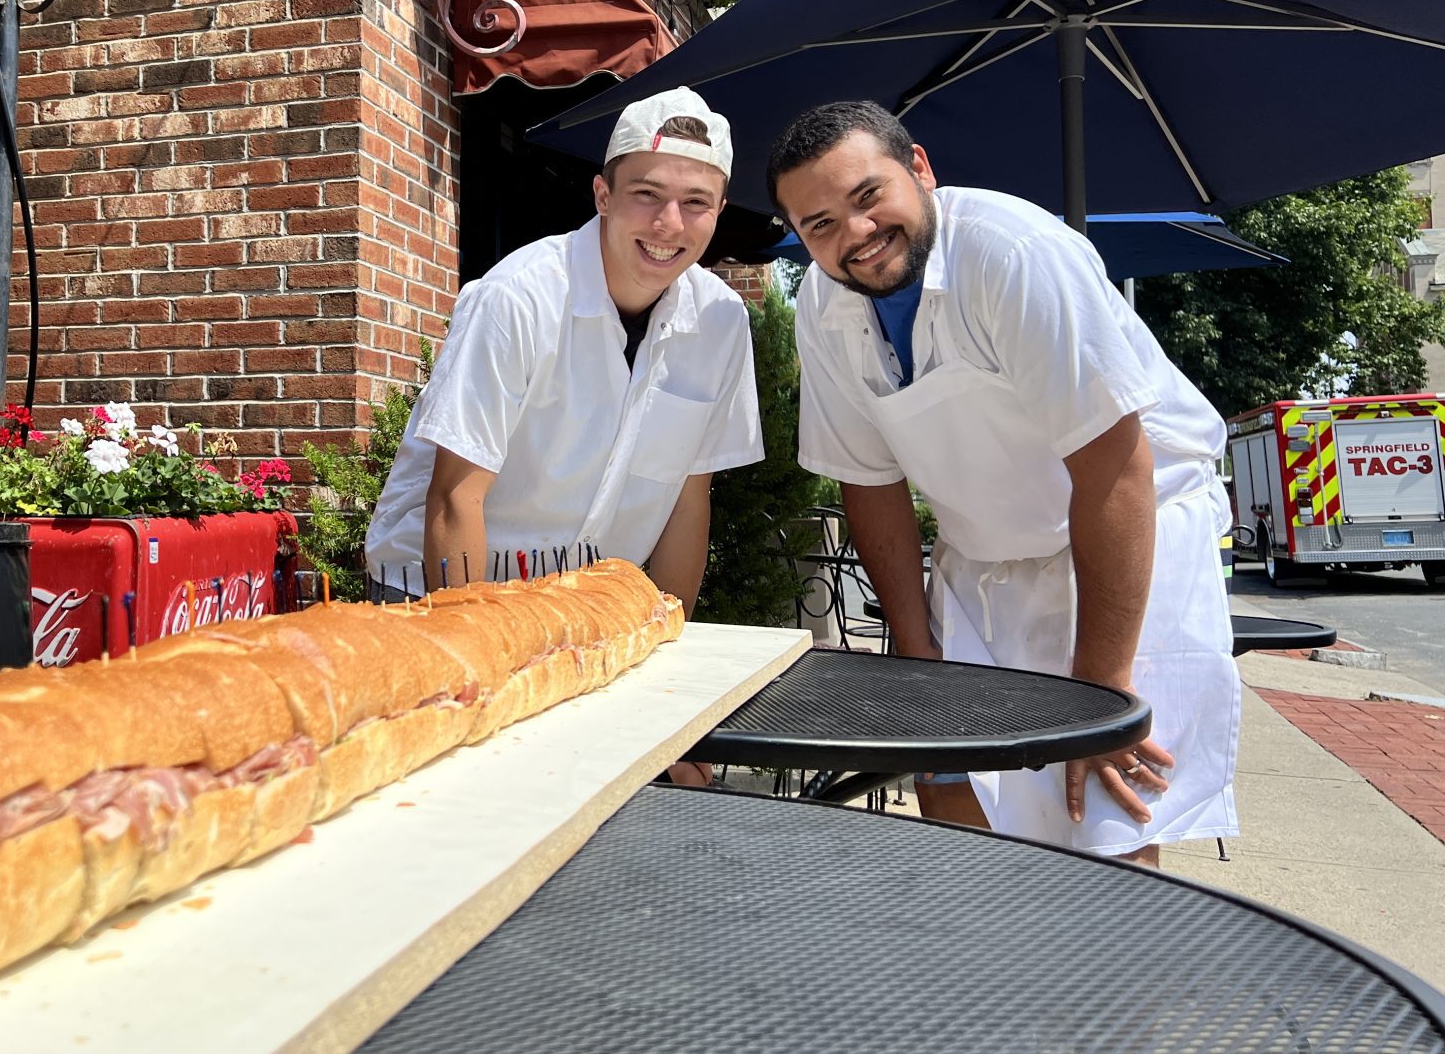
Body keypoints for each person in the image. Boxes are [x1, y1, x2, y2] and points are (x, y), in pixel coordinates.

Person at [768, 100, 1240, 864]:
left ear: (919, 168)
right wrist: (918, 656)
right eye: (819, 223)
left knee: (1100, 808)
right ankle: (992, 975)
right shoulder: (822, 306)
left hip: (1132, 532)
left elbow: (1115, 467)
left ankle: (1112, 983)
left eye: (867, 197)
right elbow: (870, 482)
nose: (853, 234)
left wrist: (1103, 691)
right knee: (949, 781)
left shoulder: (1012, 253)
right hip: (982, 554)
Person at [365, 86, 765, 627]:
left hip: (582, 605)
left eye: (695, 201)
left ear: (718, 210)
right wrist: (477, 649)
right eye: (646, 193)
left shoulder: (722, 321)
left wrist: (670, 640)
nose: (669, 223)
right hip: (438, 595)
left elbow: (689, 503)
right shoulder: (518, 297)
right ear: (603, 195)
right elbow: (457, 494)